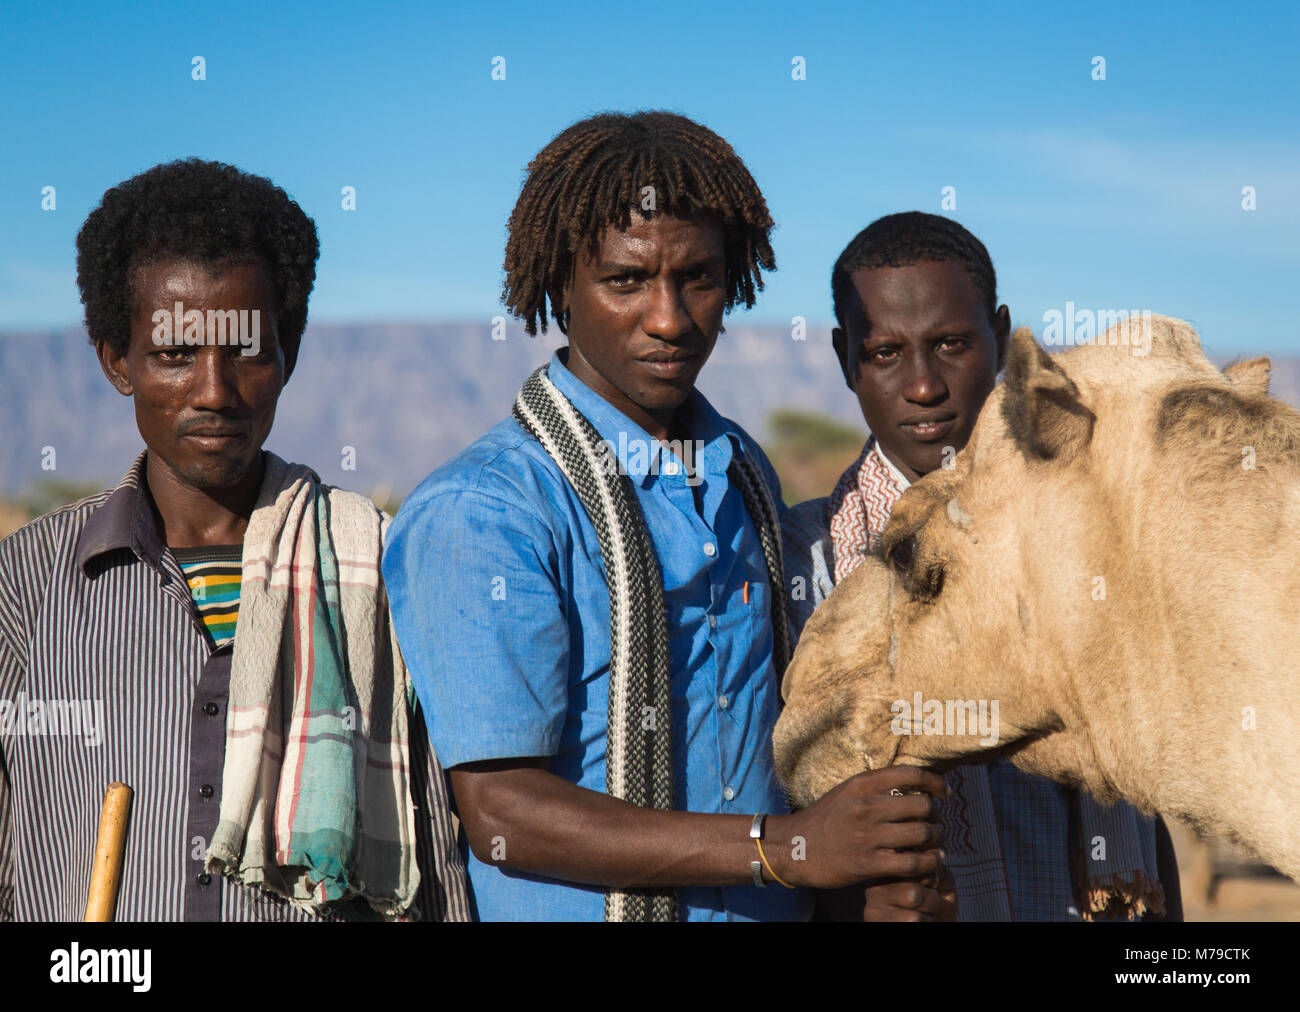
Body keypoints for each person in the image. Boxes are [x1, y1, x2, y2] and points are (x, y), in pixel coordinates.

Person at [383, 111, 955, 921]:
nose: (670, 319)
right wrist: (787, 850)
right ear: (558, 287)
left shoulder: (743, 471)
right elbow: (503, 813)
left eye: (699, 278)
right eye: (625, 281)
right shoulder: (485, 510)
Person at [0, 159, 470, 921]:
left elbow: (435, 855)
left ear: (288, 354)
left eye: (246, 350)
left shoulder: (378, 566)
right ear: (118, 361)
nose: (214, 392)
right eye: (176, 354)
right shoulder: (28, 580)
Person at [782, 210, 1183, 920]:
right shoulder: (804, 563)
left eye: (951, 344)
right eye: (885, 354)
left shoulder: (1089, 539)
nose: (925, 386)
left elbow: (1134, 789)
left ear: (999, 337)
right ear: (847, 358)